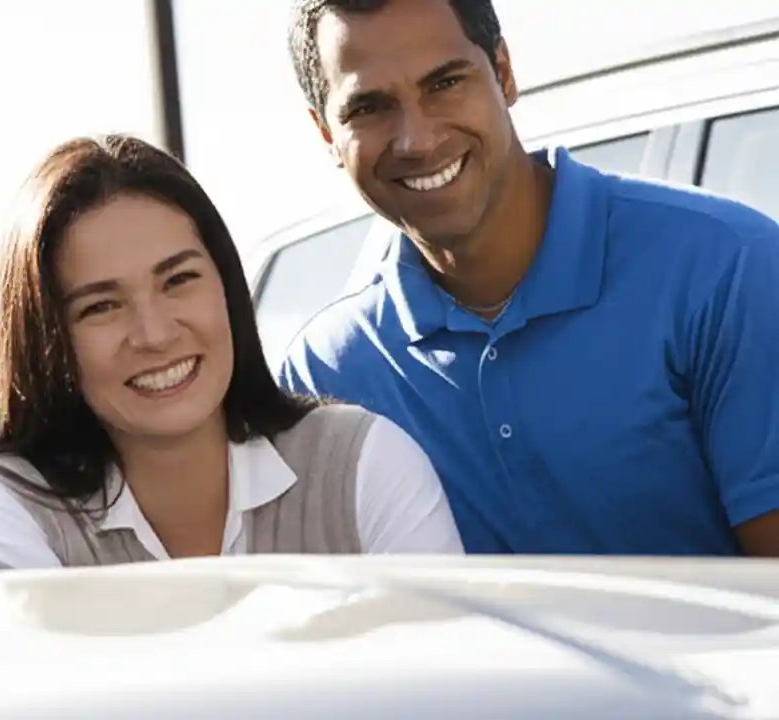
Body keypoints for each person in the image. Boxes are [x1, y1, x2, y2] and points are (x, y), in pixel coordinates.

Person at [279, 0, 779, 555]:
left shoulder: (728, 269)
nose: (416, 140)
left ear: (504, 71)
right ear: (325, 131)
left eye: (444, 82)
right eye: (369, 108)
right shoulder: (324, 376)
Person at [0, 134, 463, 570]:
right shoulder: (9, 505)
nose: (154, 333)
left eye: (179, 280)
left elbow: (448, 679)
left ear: (226, 286)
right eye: (101, 306)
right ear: (48, 339)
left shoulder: (364, 463)